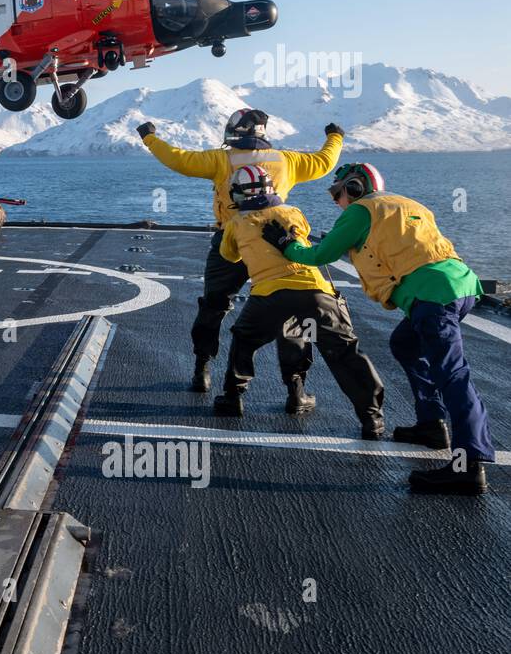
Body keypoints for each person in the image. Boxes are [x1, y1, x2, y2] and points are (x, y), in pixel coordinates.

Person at [264, 162, 494, 495]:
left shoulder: (360, 211)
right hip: (461, 287)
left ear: (354, 188)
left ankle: (469, 466)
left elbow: (320, 254)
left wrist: (287, 245)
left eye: (337, 193)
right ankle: (431, 425)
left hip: (432, 297)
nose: (336, 201)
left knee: (453, 376)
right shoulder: (409, 204)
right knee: (405, 343)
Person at [136, 109, 343, 404]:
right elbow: (325, 161)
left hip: (232, 236)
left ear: (233, 133)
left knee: (215, 304)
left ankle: (202, 370)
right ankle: (296, 391)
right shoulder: (288, 160)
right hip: (278, 241)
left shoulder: (222, 159)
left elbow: (178, 159)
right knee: (292, 307)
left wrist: (150, 137)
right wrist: (335, 137)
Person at [213, 166, 385, 439]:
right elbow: (302, 233)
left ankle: (232, 398)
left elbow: (229, 255)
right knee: (342, 352)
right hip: (315, 293)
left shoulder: (236, 222)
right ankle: (369, 418)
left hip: (268, 295)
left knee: (244, 339)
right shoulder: (292, 213)